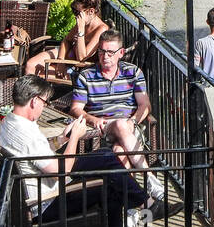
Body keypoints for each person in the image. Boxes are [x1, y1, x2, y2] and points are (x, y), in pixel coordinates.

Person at [0, 75, 170, 227]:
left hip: (37, 191)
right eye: (44, 102)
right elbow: (59, 173)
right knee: (110, 184)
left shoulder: (8, 123)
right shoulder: (26, 133)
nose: (44, 106)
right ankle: (140, 211)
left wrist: (61, 140)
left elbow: (35, 154)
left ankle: (142, 205)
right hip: (46, 203)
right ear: (34, 101)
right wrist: (74, 139)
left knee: (105, 156)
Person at [70, 30, 172, 206]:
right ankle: (150, 180)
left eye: (110, 52)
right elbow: (76, 108)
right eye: (101, 51)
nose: (105, 56)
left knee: (119, 153)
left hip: (131, 128)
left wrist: (133, 121)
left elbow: (145, 105)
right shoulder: (86, 76)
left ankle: (131, 208)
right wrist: (91, 119)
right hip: (101, 128)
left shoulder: (133, 72)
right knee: (120, 125)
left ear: (121, 53)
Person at [26, 0, 104, 77]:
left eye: (77, 12)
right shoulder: (83, 21)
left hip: (79, 67)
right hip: (67, 54)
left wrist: (81, 30)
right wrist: (60, 60)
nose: (75, 16)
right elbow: (67, 40)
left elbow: (82, 58)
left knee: (41, 74)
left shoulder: (101, 29)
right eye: (74, 11)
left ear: (91, 11)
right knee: (30, 65)